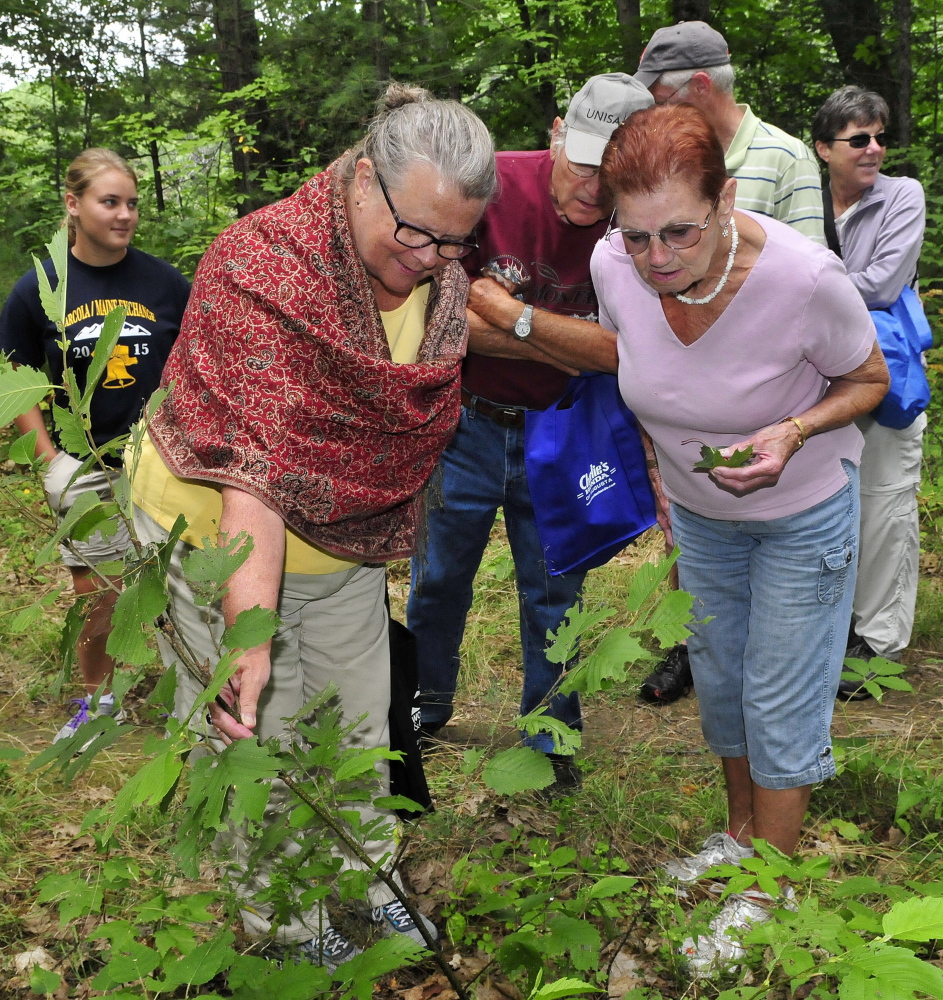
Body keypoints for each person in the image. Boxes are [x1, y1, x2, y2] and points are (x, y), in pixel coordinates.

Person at [129, 84, 496, 971]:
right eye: (415, 233)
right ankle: (282, 927)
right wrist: (244, 635)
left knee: (360, 714)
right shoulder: (261, 269)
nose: (430, 259)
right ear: (364, 180)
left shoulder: (434, 270)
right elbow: (250, 473)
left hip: (343, 535)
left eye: (454, 241)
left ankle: (369, 880)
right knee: (259, 724)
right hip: (213, 525)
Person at [592, 103, 888, 973]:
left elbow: (865, 379)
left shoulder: (804, 279)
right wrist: (657, 459)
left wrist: (793, 430)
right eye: (636, 235)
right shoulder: (614, 266)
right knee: (719, 686)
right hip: (702, 520)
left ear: (725, 201)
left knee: (778, 695)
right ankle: (737, 837)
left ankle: (769, 889)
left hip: (801, 513)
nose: (655, 259)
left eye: (678, 233)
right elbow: (647, 371)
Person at [405, 73, 653, 794]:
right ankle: (424, 704)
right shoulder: (490, 187)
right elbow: (441, 321)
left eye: (610, 174)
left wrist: (512, 318)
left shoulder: (637, 225)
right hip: (468, 421)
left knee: (555, 587)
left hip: (566, 433)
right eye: (580, 162)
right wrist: (566, 341)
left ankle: (548, 733)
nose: (591, 188)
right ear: (554, 133)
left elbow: (622, 352)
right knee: (440, 576)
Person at [633, 19, 827, 705]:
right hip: (682, 408)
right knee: (688, 530)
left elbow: (813, 286)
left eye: (659, 94)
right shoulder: (663, 168)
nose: (650, 109)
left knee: (766, 553)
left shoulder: (782, 157)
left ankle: (775, 665)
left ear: (701, 85)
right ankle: (693, 648)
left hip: (770, 409)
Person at [0, 148, 190, 742]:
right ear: (73, 205)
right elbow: (15, 380)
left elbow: (197, 365)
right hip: (85, 464)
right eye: (110, 202)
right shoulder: (40, 290)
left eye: (132, 203)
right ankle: (95, 705)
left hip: (160, 459)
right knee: (97, 590)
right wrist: (50, 461)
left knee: (175, 580)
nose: (125, 214)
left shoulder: (164, 283)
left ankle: (188, 692)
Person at [812, 87, 927, 699]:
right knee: (829, 502)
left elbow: (881, 286)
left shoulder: (901, 195)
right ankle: (836, 629)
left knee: (884, 506)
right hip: (817, 379)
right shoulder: (804, 197)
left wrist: (799, 293)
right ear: (824, 148)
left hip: (884, 376)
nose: (875, 148)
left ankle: (878, 646)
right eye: (859, 139)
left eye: (880, 136)